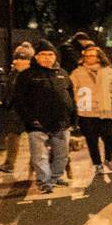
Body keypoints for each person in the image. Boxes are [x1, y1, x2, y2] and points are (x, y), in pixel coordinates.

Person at [13, 40, 76, 194]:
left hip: (61, 123)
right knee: (40, 156)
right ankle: (44, 181)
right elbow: (19, 100)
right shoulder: (27, 75)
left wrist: (73, 119)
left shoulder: (62, 73)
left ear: (55, 56)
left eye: (50, 54)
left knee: (62, 155)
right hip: (37, 124)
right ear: (36, 57)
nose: (47, 58)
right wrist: (30, 119)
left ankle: (55, 177)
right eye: (43, 54)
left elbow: (71, 97)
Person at [70, 44, 112, 174]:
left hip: (105, 109)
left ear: (99, 58)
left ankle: (108, 160)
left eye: (91, 56)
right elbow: (72, 90)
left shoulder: (109, 72)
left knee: (110, 137)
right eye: (86, 56)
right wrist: (79, 101)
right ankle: (97, 164)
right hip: (87, 112)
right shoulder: (77, 73)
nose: (88, 58)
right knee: (91, 139)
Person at [0, 44, 34, 175]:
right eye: (17, 58)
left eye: (23, 58)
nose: (18, 61)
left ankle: (34, 163)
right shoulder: (14, 72)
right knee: (13, 136)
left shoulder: (31, 73)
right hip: (16, 110)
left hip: (30, 111)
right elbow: (9, 91)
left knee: (35, 138)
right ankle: (9, 163)